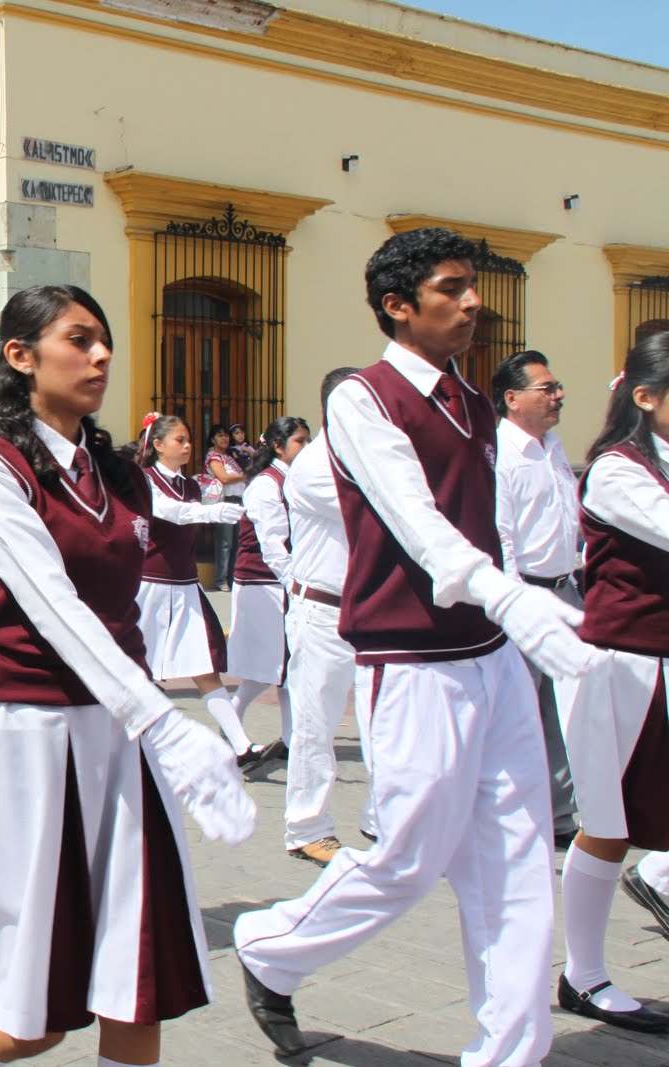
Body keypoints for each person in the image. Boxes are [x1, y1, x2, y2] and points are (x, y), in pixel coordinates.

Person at [234, 227, 599, 1065]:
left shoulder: (474, 402)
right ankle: (271, 945)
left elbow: (499, 524)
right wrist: (513, 596)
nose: (472, 301)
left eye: (473, 285)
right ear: (399, 306)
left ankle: (510, 1051)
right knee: (406, 859)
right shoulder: (363, 398)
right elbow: (416, 522)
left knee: (515, 859)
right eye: (451, 288)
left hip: (493, 655)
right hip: (415, 661)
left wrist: (533, 608)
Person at [0, 285, 253, 1067]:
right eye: (79, 339)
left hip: (120, 737)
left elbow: (131, 603)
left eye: (105, 340)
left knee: (138, 985)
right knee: (30, 1018)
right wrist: (163, 720)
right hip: (34, 739)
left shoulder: (116, 472)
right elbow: (53, 606)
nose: (102, 355)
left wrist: (151, 722)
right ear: (20, 356)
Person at [550, 334, 669, 1033]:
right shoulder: (617, 470)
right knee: (607, 824)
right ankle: (584, 974)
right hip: (624, 665)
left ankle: (657, 878)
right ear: (646, 397)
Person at [281, 368, 376, 868]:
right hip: (322, 611)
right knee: (316, 724)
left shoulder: (362, 456)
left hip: (367, 611)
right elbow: (380, 511)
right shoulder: (317, 465)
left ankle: (383, 819)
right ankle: (306, 826)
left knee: (383, 720)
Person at [134, 416, 269, 768]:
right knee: (134, 666)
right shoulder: (143, 482)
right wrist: (217, 512)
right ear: (158, 445)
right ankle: (130, 742)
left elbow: (191, 508)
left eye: (188, 439)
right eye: (179, 439)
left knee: (205, 667)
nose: (188, 445)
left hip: (185, 586)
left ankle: (241, 747)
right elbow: (170, 512)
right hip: (150, 586)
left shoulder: (192, 486)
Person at [491, 350, 581, 848]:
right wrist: (518, 606)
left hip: (566, 592)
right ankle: (515, 818)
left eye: (556, 386)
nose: (557, 395)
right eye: (546, 388)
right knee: (522, 715)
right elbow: (501, 535)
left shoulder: (552, 446)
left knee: (564, 712)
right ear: (512, 398)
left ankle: (560, 815)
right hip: (527, 598)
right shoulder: (502, 454)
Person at [225, 416, 309, 780]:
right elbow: (272, 542)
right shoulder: (265, 485)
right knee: (271, 665)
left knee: (284, 666)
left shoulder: (293, 481)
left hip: (277, 583)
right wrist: (293, 583)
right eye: (300, 442)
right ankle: (231, 724)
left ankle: (290, 740)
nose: (305, 448)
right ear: (278, 446)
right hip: (263, 584)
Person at [203, 425, 246, 591]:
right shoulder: (213, 456)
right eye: (220, 436)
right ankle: (221, 579)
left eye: (226, 436)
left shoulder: (229, 456)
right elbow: (224, 477)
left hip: (238, 499)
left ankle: (233, 577)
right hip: (225, 500)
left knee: (237, 541)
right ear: (213, 439)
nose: (224, 439)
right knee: (225, 541)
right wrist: (245, 475)